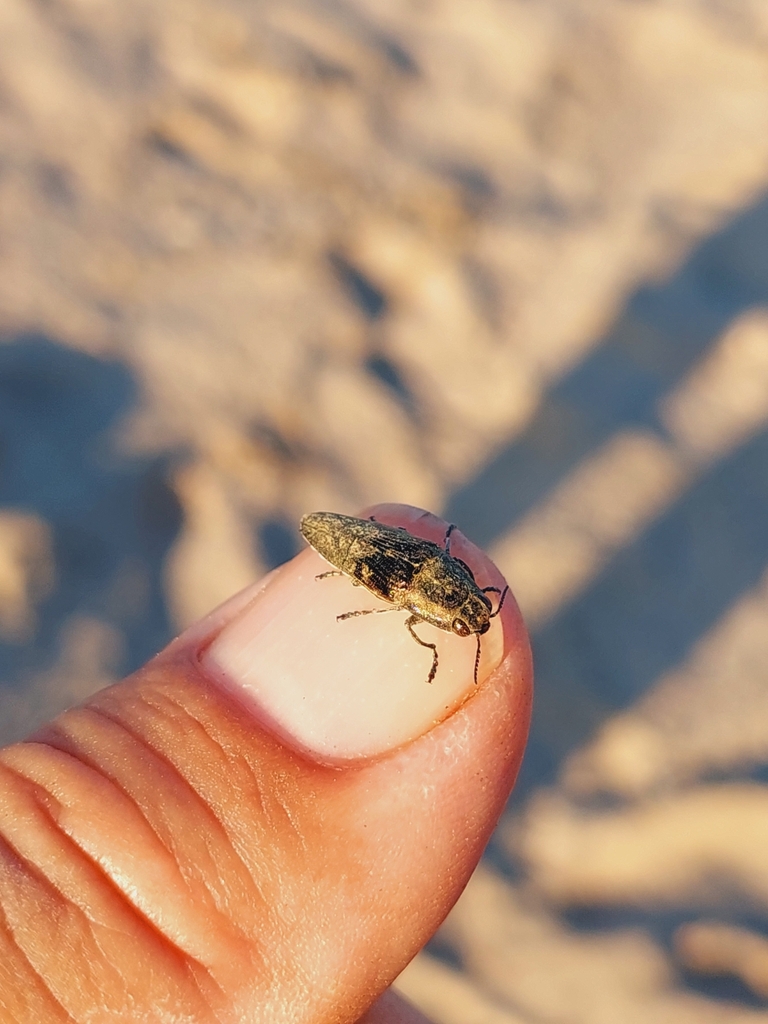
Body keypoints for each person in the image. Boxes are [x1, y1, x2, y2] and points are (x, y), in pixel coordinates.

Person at [0, 505, 532, 1023]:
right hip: (380, 557)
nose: (478, 614)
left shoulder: (434, 580)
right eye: (469, 615)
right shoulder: (426, 592)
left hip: (384, 552)